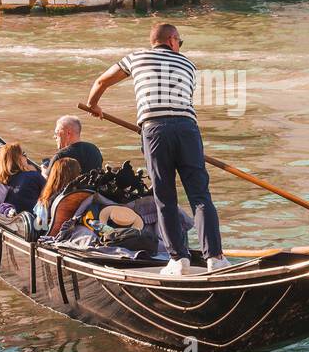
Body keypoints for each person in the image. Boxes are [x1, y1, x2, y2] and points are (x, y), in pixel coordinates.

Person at [84, 22, 229, 275]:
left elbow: (102, 81)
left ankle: (178, 259)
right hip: (187, 129)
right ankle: (215, 258)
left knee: (165, 196)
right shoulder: (188, 65)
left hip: (154, 130)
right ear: (172, 40)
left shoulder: (136, 58)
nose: (179, 46)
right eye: (180, 42)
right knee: (200, 196)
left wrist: (93, 104)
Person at [0, 142, 45, 213]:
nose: (26, 157)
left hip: (5, 218)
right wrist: (44, 175)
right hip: (30, 221)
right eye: (23, 154)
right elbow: (51, 195)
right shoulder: (33, 177)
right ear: (17, 159)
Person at [34, 157, 82, 233]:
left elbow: (39, 226)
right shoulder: (81, 194)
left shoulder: (48, 197)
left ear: (54, 174)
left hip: (51, 235)